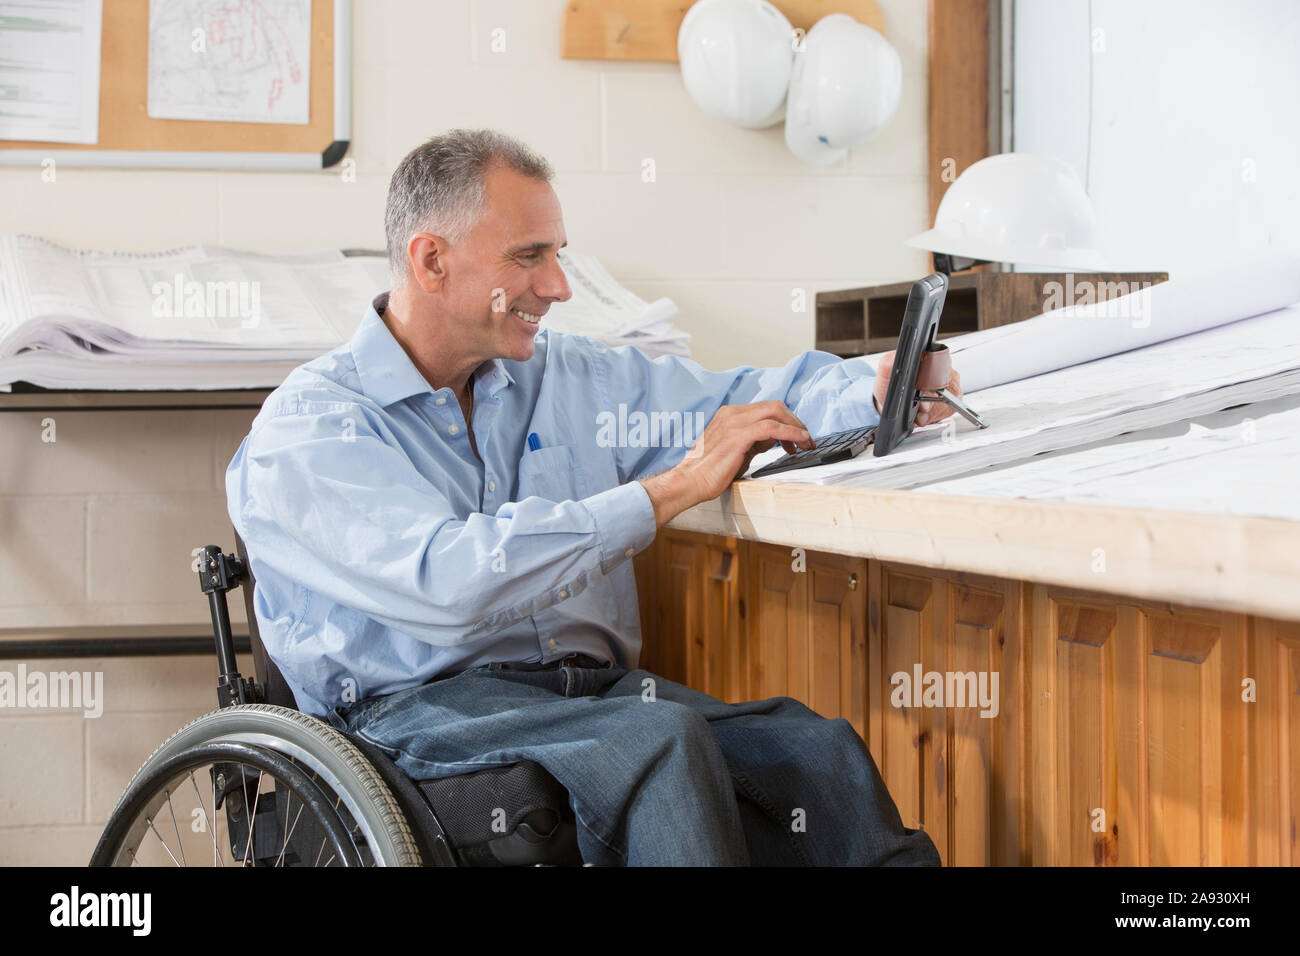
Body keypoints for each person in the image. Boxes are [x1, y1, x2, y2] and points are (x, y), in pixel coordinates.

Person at [226, 128, 960, 866]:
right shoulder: (312, 426)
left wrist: (870, 389)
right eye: (529, 256)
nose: (559, 286)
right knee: (654, 747)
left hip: (586, 695)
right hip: (407, 716)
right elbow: (449, 585)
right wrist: (666, 491)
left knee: (813, 754)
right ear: (433, 260)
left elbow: (745, 396)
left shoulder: (573, 379)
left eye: (557, 254)